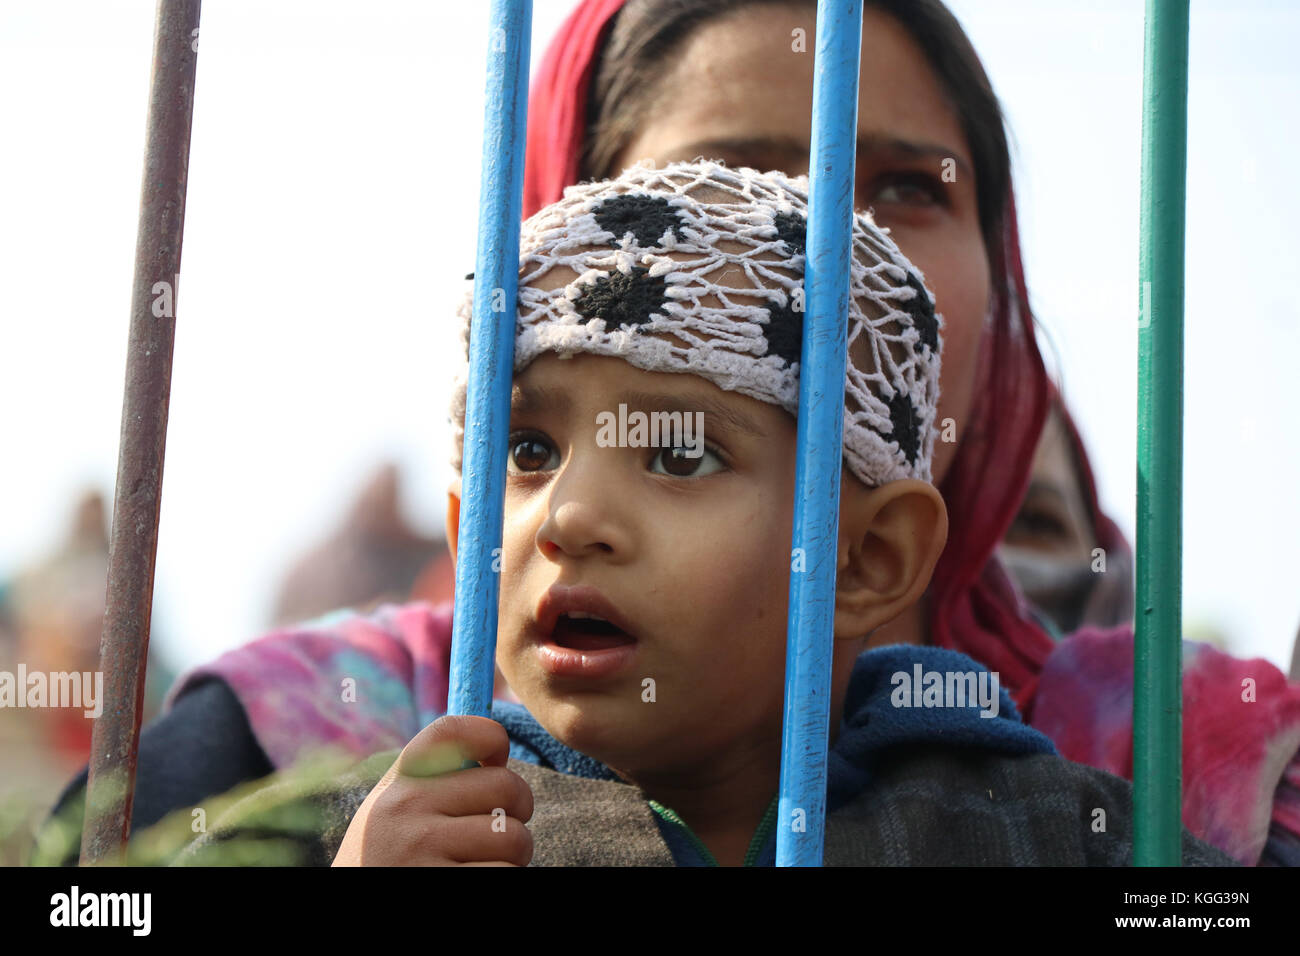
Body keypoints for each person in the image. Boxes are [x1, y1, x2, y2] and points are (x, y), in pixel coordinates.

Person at [35, 0, 1297, 867]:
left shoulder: (1151, 787)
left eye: (906, 187)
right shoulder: (300, 763)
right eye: (744, 185)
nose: (826, 247)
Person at [154, 162, 1232, 866]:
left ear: (868, 555)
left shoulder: (1038, 827)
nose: (569, 515)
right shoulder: (422, 829)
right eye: (529, 450)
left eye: (678, 453)